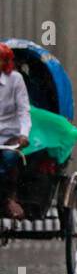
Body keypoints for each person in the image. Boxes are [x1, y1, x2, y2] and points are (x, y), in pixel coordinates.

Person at [0, 42, 31, 219]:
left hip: (10, 137)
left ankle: (8, 199)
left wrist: (23, 134)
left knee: (9, 160)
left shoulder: (16, 80)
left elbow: (23, 110)